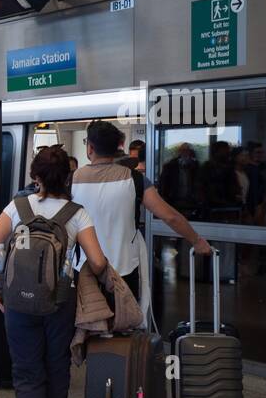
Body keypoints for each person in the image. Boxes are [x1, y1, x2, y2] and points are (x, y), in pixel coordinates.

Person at [0, 146, 108, 398]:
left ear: (35, 176)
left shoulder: (17, 207)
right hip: (59, 303)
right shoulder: (76, 213)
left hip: (18, 304)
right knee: (57, 369)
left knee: (26, 371)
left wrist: (1, 287)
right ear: (66, 177)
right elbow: (96, 261)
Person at [72, 121, 210, 310]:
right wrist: (196, 240)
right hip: (123, 269)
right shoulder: (134, 179)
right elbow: (170, 217)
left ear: (90, 148)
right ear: (117, 148)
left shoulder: (72, 180)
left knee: (85, 324)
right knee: (123, 326)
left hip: (83, 268)